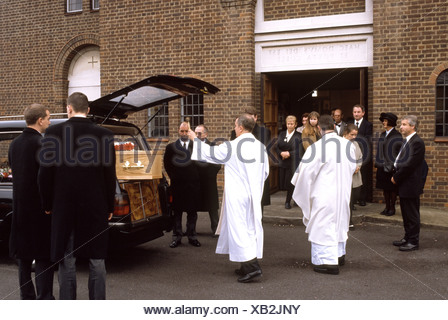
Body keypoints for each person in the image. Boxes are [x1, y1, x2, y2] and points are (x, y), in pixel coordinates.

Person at [38, 92, 116, 300]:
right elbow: (110, 174)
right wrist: (110, 206)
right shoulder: (104, 135)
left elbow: (44, 173)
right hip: (95, 206)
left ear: (69, 109)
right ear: (88, 110)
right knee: (97, 258)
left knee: (67, 258)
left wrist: (47, 203)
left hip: (64, 206)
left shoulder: (53, 132)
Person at [189, 114, 269, 283]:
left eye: (235, 126)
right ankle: (244, 265)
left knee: (239, 229)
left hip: (238, 194)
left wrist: (194, 139)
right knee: (248, 228)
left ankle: (253, 267)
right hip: (253, 194)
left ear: (240, 127)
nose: (234, 128)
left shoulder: (233, 146)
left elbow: (211, 153)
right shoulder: (260, 146)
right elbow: (266, 172)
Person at [292, 115, 356, 275]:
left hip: (325, 194)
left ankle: (327, 261)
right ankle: (339, 255)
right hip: (343, 194)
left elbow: (305, 174)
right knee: (339, 222)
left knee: (324, 226)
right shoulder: (348, 146)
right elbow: (352, 168)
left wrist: (302, 189)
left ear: (319, 129)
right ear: (334, 127)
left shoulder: (317, 148)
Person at [8, 104, 54, 300]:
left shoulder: (14, 144)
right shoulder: (43, 144)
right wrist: (48, 205)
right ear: (40, 120)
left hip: (19, 207)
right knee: (43, 255)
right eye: (48, 118)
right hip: (38, 209)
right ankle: (44, 298)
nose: (49, 121)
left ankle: (27, 297)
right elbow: (45, 178)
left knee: (24, 256)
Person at [391, 115, 427, 252]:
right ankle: (407, 237)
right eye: (401, 124)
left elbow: (409, 164)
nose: (401, 127)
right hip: (405, 183)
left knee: (412, 213)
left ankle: (413, 241)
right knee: (406, 213)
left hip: (410, 183)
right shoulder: (407, 141)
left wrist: (397, 177)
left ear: (413, 126)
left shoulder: (417, 142)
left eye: (404, 124)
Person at [164, 122, 201, 248]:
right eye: (182, 131)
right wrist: (174, 176)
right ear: (178, 131)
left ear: (190, 131)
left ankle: (192, 236)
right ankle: (177, 237)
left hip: (193, 185)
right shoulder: (171, 147)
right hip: (177, 185)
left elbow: (200, 165)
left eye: (186, 131)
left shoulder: (196, 146)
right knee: (177, 212)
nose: (184, 134)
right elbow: (167, 165)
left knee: (192, 213)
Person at [230, 107, 271, 209]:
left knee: (258, 205)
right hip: (242, 172)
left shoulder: (264, 132)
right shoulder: (234, 133)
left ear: (256, 118)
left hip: (256, 170)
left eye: (251, 117)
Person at [194, 124, 221, 235]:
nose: (197, 135)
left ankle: (216, 229)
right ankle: (191, 230)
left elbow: (217, 164)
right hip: (195, 180)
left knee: (212, 207)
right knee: (193, 206)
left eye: (199, 133)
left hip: (208, 181)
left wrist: (209, 174)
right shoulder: (192, 145)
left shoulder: (213, 146)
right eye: (195, 133)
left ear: (205, 134)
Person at [375, 112, 402, 216]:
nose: (384, 123)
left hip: (391, 167)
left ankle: (392, 208)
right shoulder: (382, 134)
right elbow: (379, 150)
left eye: (386, 121)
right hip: (382, 166)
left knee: (392, 189)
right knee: (385, 188)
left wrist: (394, 166)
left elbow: (398, 152)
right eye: (383, 121)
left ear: (391, 122)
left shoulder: (397, 135)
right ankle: (386, 207)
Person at [276, 115, 303, 209]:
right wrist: (281, 153)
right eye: (288, 124)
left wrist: (289, 153)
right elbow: (277, 147)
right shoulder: (281, 134)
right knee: (283, 183)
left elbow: (299, 150)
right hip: (283, 161)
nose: (290, 126)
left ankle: (288, 201)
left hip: (293, 162)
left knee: (291, 182)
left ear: (295, 125)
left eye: (292, 124)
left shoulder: (299, 136)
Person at [343, 124, 363, 228]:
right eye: (352, 134)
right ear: (345, 133)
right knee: (345, 200)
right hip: (343, 177)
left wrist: (358, 166)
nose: (354, 137)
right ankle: (347, 222)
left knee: (352, 199)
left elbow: (360, 157)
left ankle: (349, 219)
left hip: (354, 176)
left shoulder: (356, 144)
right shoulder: (339, 144)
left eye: (356, 135)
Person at [352, 104, 373, 206]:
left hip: (363, 154)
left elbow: (367, 141)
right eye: (355, 112)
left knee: (363, 177)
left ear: (363, 113)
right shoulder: (349, 124)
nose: (356, 114)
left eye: (358, 112)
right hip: (351, 154)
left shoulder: (368, 125)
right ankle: (353, 199)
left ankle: (362, 198)